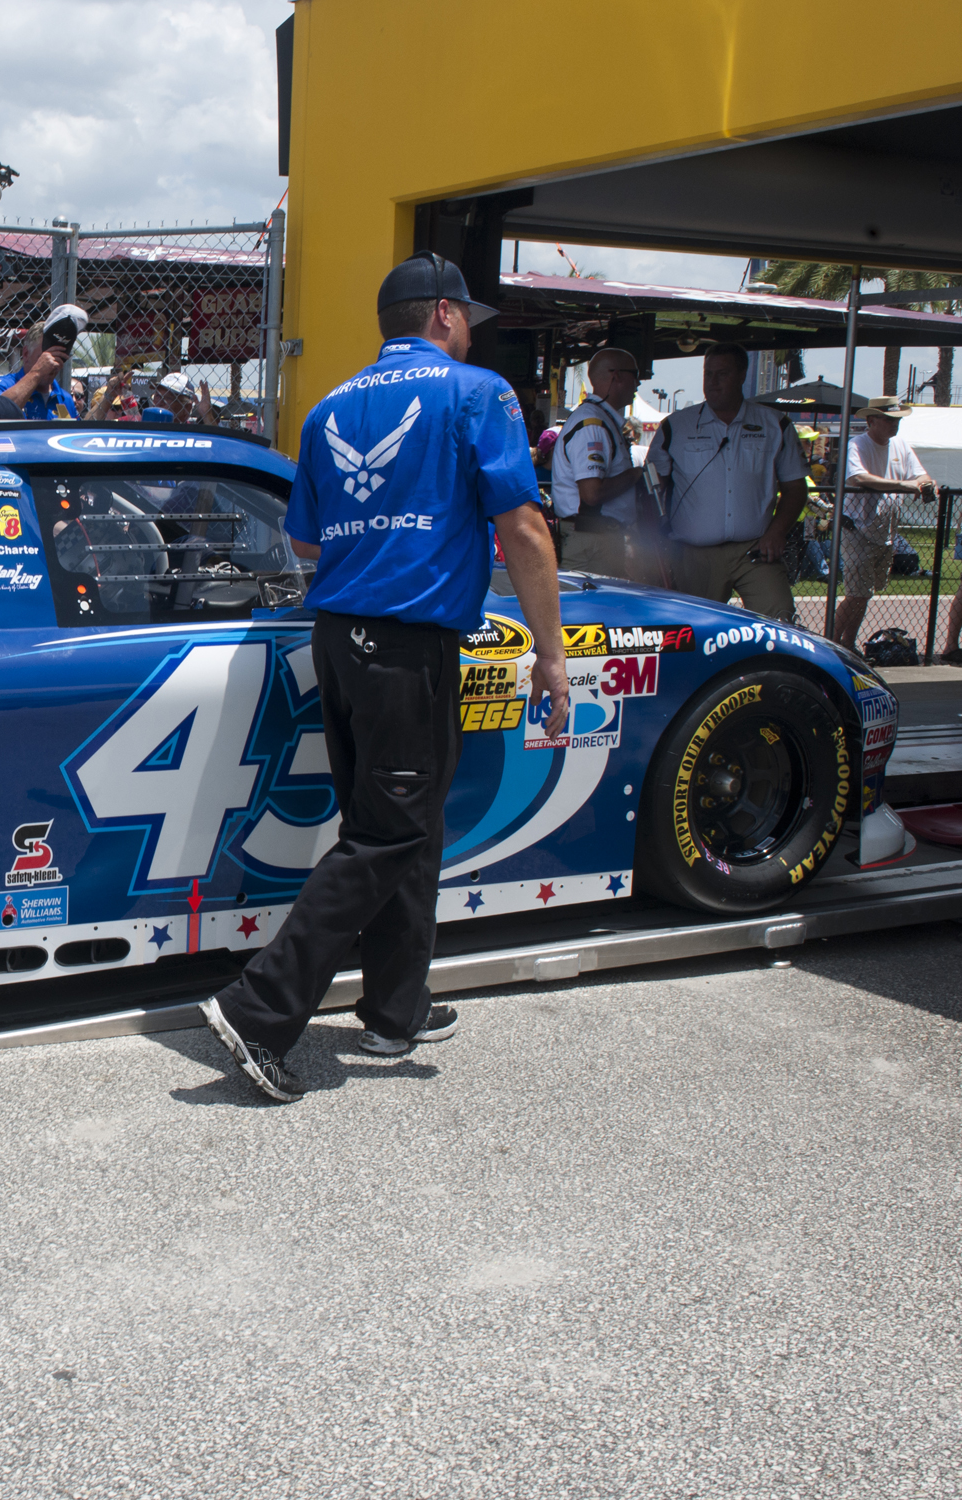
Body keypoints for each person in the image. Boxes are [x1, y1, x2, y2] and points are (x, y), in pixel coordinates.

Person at [196, 251, 570, 1102]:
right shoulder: (478, 394)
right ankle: (261, 1009)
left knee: (405, 823)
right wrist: (550, 652)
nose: (472, 328)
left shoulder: (329, 403)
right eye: (467, 314)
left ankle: (396, 1009)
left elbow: (301, 540)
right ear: (443, 314)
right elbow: (524, 526)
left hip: (341, 637)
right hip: (407, 645)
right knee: (391, 833)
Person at [645, 344, 808, 622]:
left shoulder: (774, 424)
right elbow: (650, 486)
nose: (713, 382)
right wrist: (655, 538)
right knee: (691, 632)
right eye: (708, 374)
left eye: (722, 374)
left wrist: (777, 532)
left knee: (781, 620)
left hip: (755, 550)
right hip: (693, 554)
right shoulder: (676, 426)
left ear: (743, 375)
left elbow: (796, 488)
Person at [835, 395, 934, 648]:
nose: (894, 424)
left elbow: (920, 473)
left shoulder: (900, 444)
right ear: (871, 421)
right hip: (857, 527)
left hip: (885, 530)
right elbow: (857, 477)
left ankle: (847, 644)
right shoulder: (857, 444)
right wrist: (903, 484)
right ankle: (830, 643)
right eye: (888, 419)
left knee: (864, 594)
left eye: (897, 419)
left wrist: (925, 483)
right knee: (857, 593)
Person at [549, 347, 652, 580]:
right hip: (591, 541)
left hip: (596, 538)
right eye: (636, 375)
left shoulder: (601, 419)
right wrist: (635, 475)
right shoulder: (593, 425)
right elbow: (592, 493)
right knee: (589, 613)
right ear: (616, 376)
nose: (638, 384)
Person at [0, 305, 86, 419]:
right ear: (26, 354)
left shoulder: (65, 398)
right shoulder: (3, 385)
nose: (53, 364)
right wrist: (38, 372)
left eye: (60, 357)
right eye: (46, 357)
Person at [151, 369, 220, 426]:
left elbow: (217, 441)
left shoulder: (191, 435)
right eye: (157, 396)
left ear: (186, 408)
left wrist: (207, 415)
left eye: (168, 398)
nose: (160, 402)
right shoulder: (145, 428)